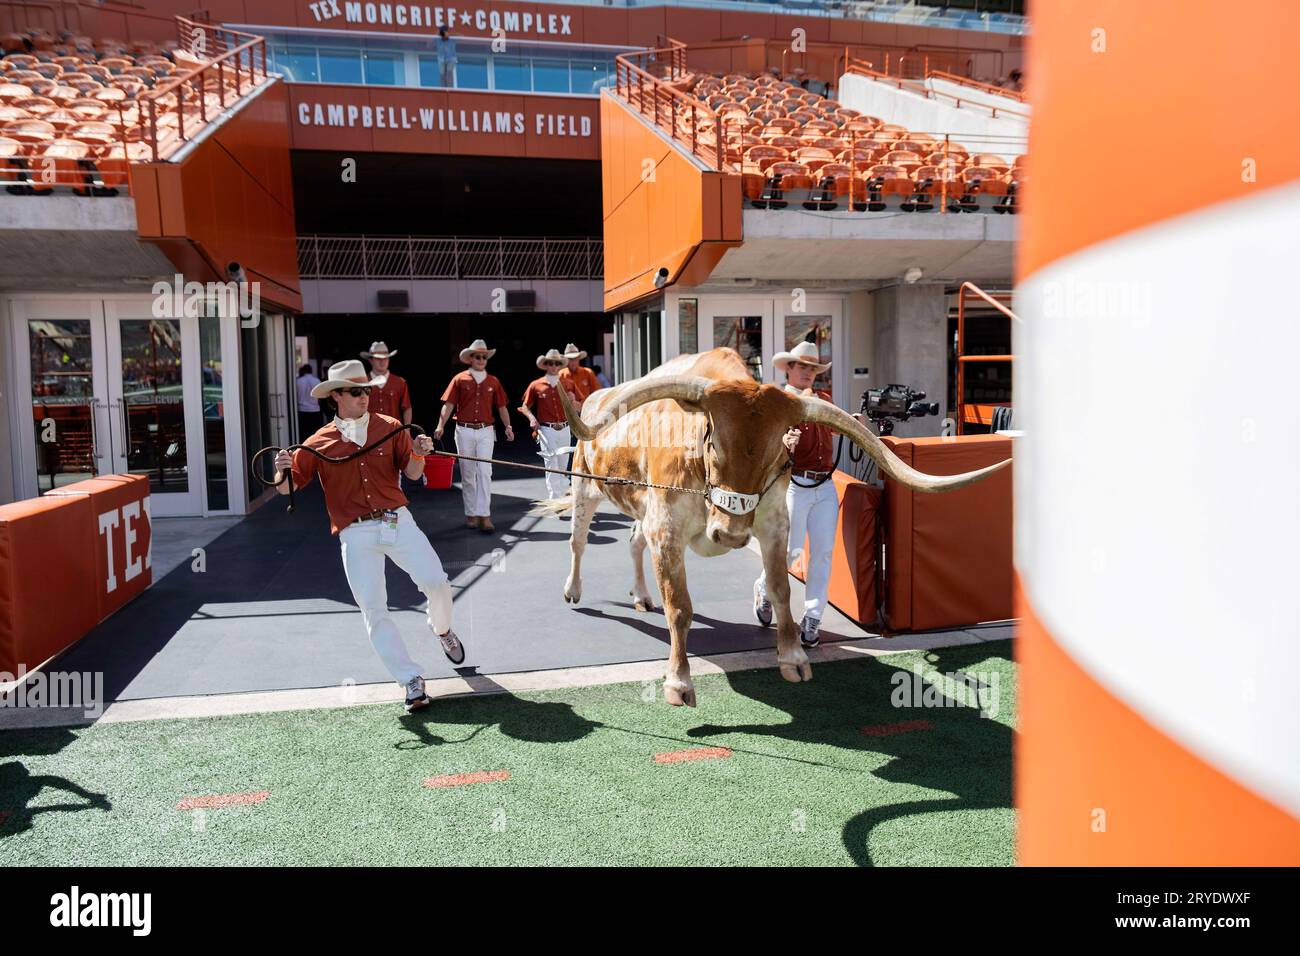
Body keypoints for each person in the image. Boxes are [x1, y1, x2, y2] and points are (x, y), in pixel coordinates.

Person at [272, 360, 465, 714]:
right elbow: (287, 489)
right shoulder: (318, 442)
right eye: (358, 392)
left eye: (368, 390)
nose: (366, 397)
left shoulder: (391, 427)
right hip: (354, 532)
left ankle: (442, 629)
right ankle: (410, 680)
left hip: (397, 520)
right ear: (337, 397)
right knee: (374, 609)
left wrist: (420, 454)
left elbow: (412, 470)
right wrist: (281, 471)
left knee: (436, 582)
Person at [752, 340, 839, 649]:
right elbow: (763, 445)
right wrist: (782, 443)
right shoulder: (777, 400)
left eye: (813, 368)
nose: (809, 373)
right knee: (790, 550)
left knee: (823, 553)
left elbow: (839, 428)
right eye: (803, 367)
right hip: (794, 484)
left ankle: (813, 618)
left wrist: (855, 423)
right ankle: (764, 587)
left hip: (825, 485)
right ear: (789, 368)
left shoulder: (824, 399)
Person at [434, 338, 513, 533]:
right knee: (468, 474)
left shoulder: (494, 381)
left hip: (486, 431)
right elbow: (449, 405)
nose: (481, 359)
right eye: (477, 356)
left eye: (484, 356)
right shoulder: (460, 379)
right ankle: (471, 514)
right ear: (470, 359)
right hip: (464, 430)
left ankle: (484, 516)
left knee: (485, 472)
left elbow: (502, 406)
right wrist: (440, 425)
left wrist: (508, 426)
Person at [519, 348, 580, 501]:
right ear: (545, 365)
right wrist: (532, 418)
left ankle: (563, 497)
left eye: (556, 363)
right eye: (550, 363)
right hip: (547, 429)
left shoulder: (568, 383)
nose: (553, 366)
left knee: (563, 464)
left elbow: (580, 406)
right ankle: (555, 501)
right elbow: (525, 406)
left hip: (565, 428)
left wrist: (573, 401)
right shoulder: (536, 385)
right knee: (552, 464)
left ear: (560, 365)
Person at [360, 341, 411, 425]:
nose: (382, 361)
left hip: (394, 432)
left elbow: (407, 407)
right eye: (378, 358)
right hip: (368, 433)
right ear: (370, 360)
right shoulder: (362, 383)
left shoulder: (400, 382)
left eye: (385, 358)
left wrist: (407, 428)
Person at [295, 362, 323, 440]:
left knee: (303, 434)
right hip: (315, 410)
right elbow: (320, 396)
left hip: (302, 410)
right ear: (311, 371)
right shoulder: (317, 381)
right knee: (315, 434)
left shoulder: (298, 381)